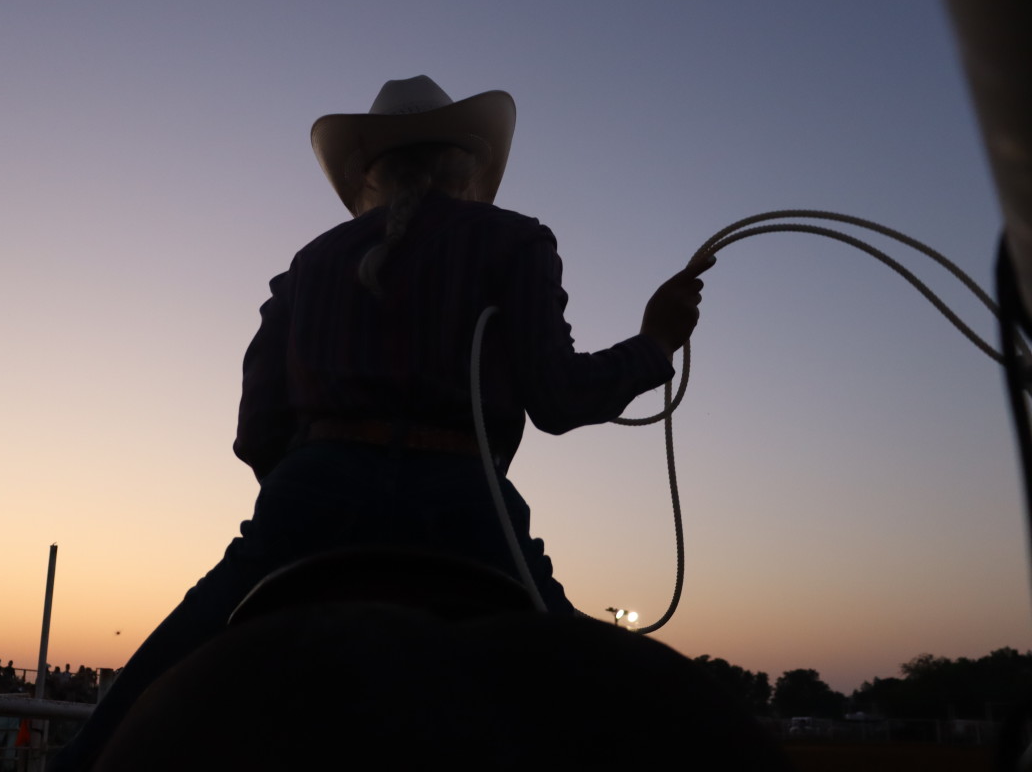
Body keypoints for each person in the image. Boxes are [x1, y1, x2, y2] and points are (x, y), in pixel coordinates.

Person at [53, 75, 710, 770]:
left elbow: (257, 428)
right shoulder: (516, 240)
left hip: (315, 490)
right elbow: (559, 398)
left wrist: (319, 478)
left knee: (171, 666)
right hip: (464, 496)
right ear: (468, 166)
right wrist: (654, 343)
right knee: (587, 678)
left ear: (368, 175)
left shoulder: (310, 262)